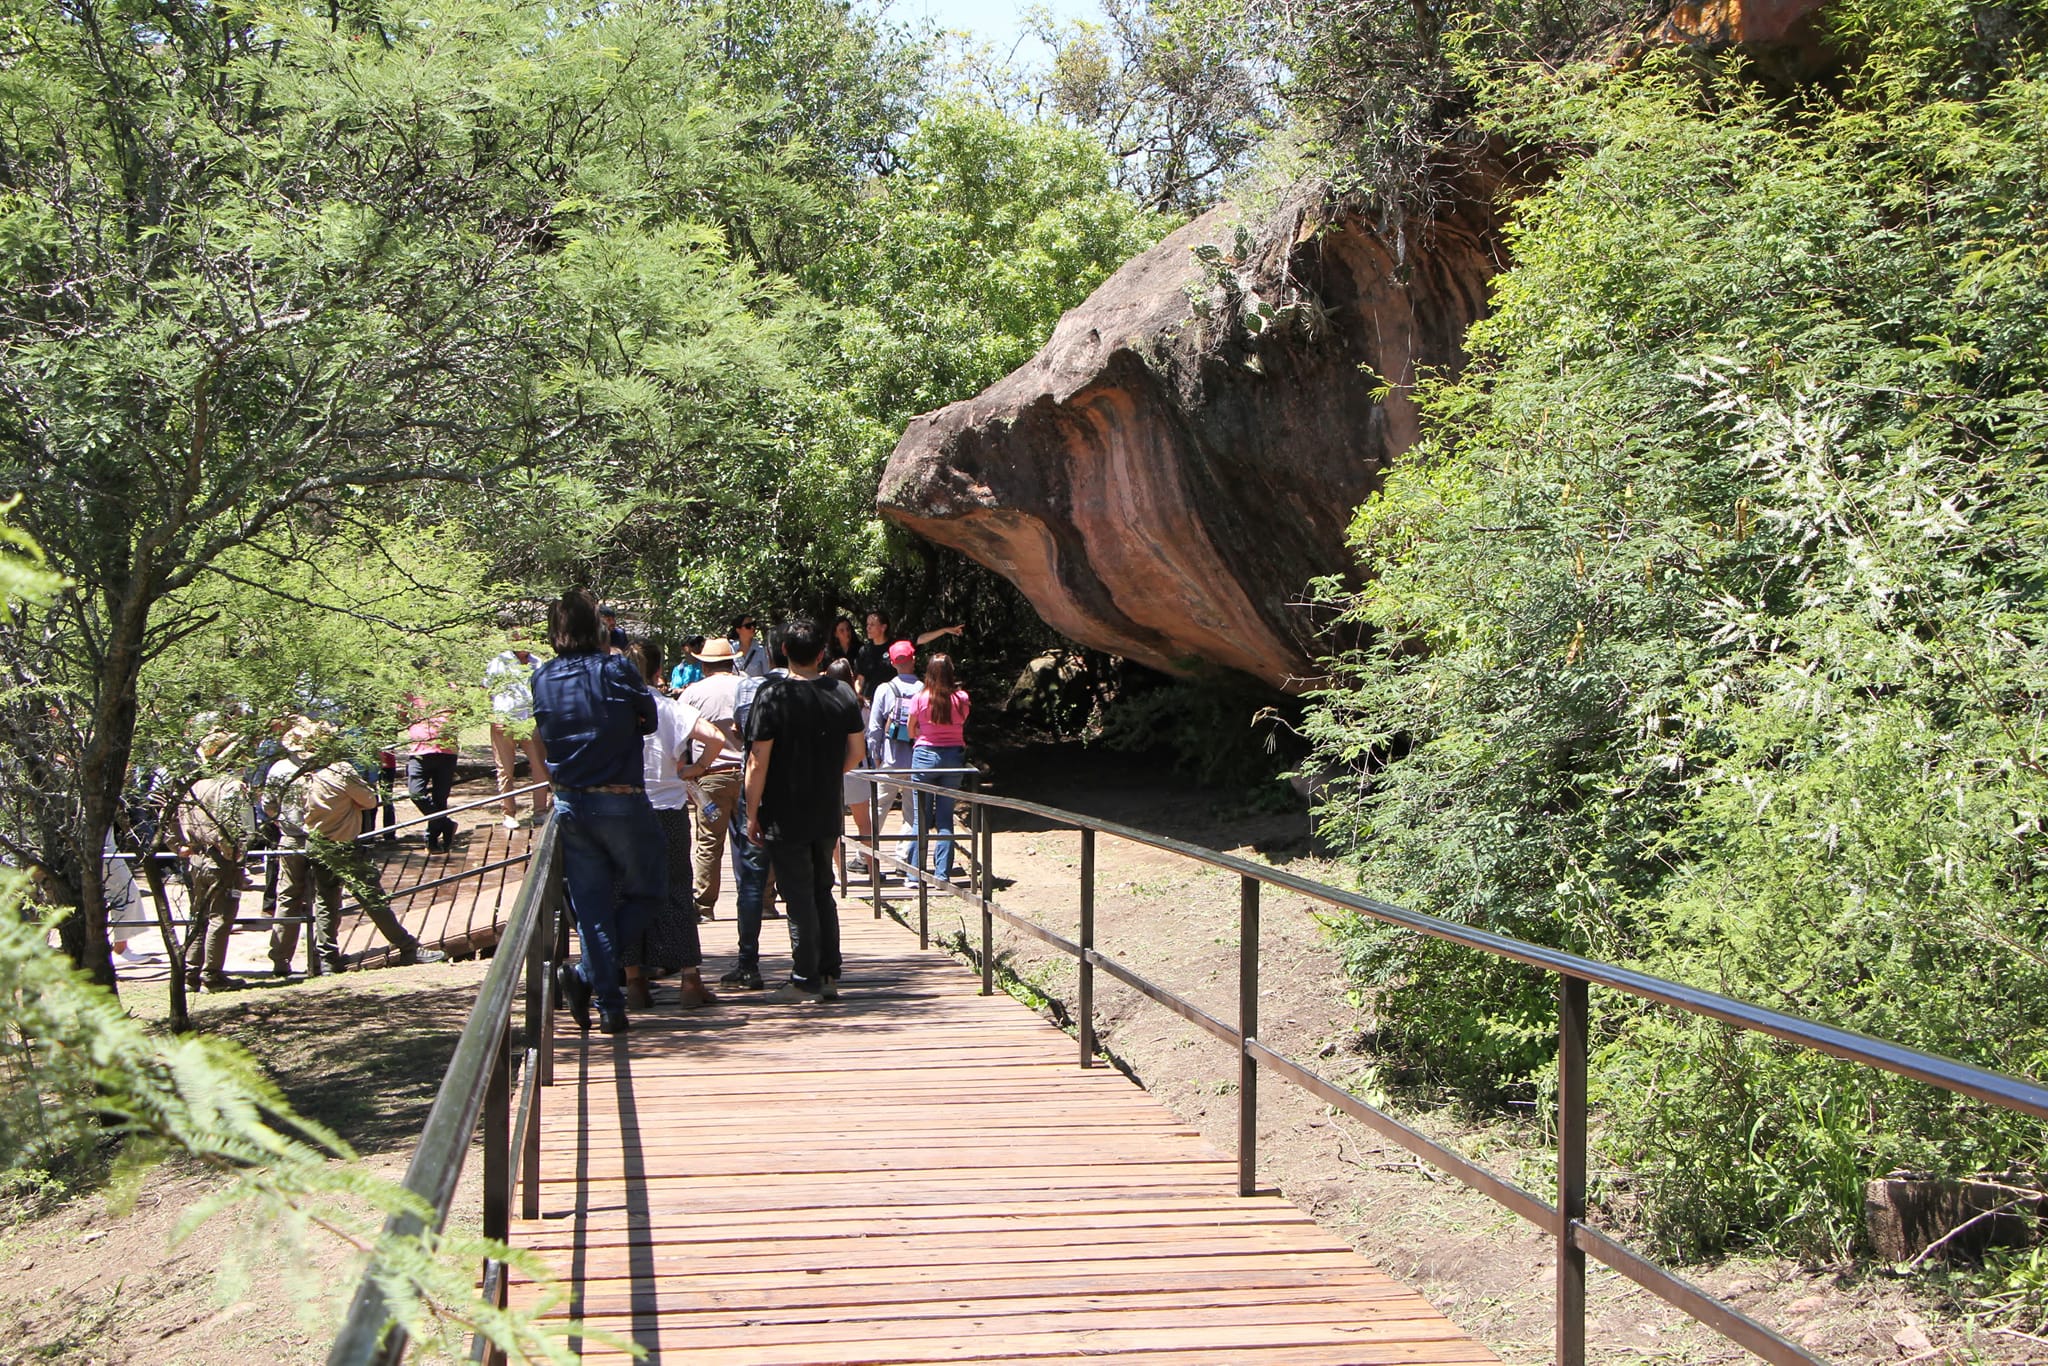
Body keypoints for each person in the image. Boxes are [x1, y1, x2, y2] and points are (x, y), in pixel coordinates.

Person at [531, 589, 663, 1034]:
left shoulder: (542, 676)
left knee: (591, 910)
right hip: (620, 797)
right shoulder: (615, 668)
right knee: (649, 892)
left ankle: (608, 1003)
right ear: (598, 627)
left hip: (569, 801)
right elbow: (651, 719)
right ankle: (587, 977)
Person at [743, 618, 863, 1004]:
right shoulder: (842, 692)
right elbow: (857, 753)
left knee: (798, 895)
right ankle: (828, 971)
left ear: (783, 652)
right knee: (822, 889)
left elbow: (757, 761)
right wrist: (827, 774)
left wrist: (751, 812)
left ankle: (804, 975)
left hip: (784, 810)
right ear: (822, 653)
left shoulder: (772, 695)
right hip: (826, 806)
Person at [267, 719, 445, 975]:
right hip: (336, 842)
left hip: (292, 841)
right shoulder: (337, 771)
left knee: (296, 898)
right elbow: (370, 801)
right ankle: (406, 947)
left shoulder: (278, 769)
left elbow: (269, 807)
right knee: (366, 896)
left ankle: (287, 961)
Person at [624, 640, 724, 1011]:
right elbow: (715, 737)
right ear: (657, 670)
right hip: (668, 809)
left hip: (627, 811)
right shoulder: (670, 708)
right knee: (677, 891)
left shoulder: (616, 710)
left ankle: (634, 981)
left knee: (627, 892)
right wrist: (696, 769)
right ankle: (688, 979)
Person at [176, 733, 254, 992]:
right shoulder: (230, 786)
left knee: (199, 916)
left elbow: (178, 823)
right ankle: (211, 975)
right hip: (220, 859)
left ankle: (191, 974)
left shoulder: (195, 785)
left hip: (197, 858)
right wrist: (233, 854)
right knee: (220, 917)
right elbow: (230, 826)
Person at [679, 638, 744, 921]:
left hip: (710, 778)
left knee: (708, 844)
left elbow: (679, 738)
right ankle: (764, 901)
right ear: (732, 661)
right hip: (749, 776)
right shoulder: (749, 687)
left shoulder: (692, 694)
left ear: (704, 664)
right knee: (755, 839)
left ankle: (704, 907)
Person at [906, 652, 970, 884]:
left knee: (920, 817)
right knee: (945, 818)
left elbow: (910, 729)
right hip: (953, 758)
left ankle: (914, 874)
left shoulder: (920, 697)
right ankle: (942, 874)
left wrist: (923, 735)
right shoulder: (961, 698)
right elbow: (961, 722)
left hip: (924, 756)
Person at [864, 640, 922, 868]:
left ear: (892, 662)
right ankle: (903, 857)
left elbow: (874, 727)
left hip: (889, 759)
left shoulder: (884, 689)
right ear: (913, 659)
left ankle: (865, 854)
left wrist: (875, 755)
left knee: (878, 807)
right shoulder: (923, 689)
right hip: (916, 760)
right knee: (912, 810)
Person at [485, 640, 552, 830]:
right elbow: (486, 691)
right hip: (504, 723)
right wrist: (493, 716)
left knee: (540, 768)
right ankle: (508, 813)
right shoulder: (499, 661)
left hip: (531, 722)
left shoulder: (538, 663)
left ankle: (540, 811)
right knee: (505, 770)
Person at [826, 657, 875, 878]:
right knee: (864, 822)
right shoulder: (863, 705)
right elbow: (870, 736)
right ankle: (873, 869)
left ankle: (839, 871)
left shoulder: (824, 705)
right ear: (851, 677)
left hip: (833, 767)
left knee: (833, 824)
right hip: (858, 767)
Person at [855, 610, 965, 698]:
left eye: (872, 624)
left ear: (883, 627)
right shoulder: (864, 650)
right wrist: (858, 697)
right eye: (867, 624)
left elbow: (921, 639)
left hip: (894, 699)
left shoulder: (897, 645)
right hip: (869, 702)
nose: (868, 628)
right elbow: (860, 679)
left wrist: (944, 630)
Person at [402, 691, 459, 853]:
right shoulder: (410, 689)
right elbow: (401, 714)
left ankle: (433, 842)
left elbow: (463, 711)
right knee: (416, 793)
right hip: (419, 751)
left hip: (446, 751)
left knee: (440, 799)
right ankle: (446, 824)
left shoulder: (451, 687)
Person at [729, 613, 770, 677]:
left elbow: (767, 675)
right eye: (748, 626)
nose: (752, 627)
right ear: (738, 630)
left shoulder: (762, 651)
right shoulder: (730, 650)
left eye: (754, 624)